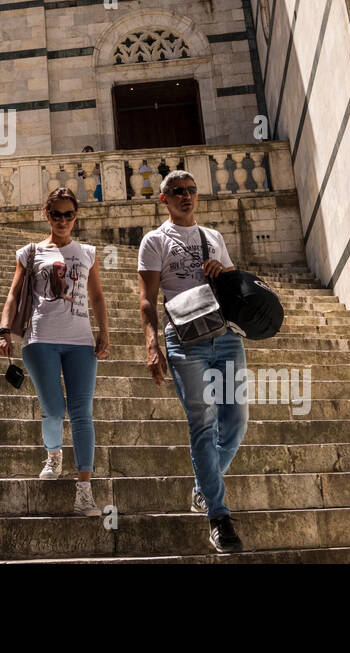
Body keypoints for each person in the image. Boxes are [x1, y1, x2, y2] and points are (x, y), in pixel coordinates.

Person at [137, 169, 246, 554]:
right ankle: (219, 517)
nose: (186, 196)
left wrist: (223, 272)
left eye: (191, 191)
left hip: (226, 336)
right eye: (177, 191)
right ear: (163, 199)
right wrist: (152, 346)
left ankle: (202, 488)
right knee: (202, 423)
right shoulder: (153, 241)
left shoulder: (213, 237)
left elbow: (235, 287)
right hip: (185, 342)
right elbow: (148, 298)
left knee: (235, 419)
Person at [0, 188, 109, 517]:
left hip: (80, 341)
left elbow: (98, 296)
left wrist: (104, 330)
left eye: (68, 215)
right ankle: (54, 454)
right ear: (46, 214)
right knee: (55, 410)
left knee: (82, 413)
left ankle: (84, 490)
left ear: (76, 216)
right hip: (39, 338)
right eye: (56, 214)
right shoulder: (30, 252)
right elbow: (14, 295)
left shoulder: (87, 252)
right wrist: (4, 330)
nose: (62, 220)